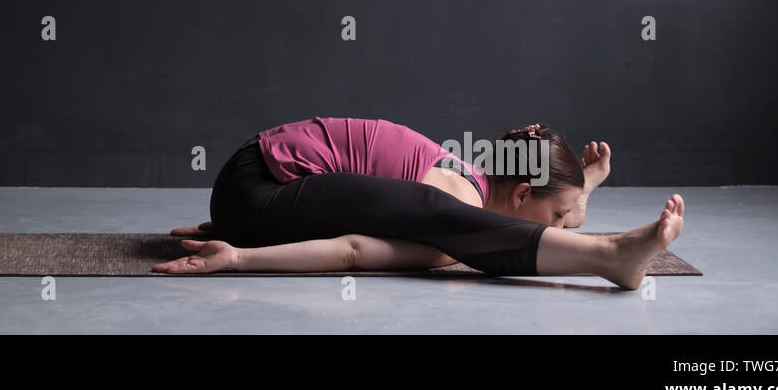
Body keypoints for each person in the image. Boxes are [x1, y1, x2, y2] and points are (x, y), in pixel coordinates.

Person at [154, 117, 684, 290]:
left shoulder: (469, 177)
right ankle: (608, 255)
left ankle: (607, 254)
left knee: (448, 244)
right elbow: (352, 251)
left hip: (254, 189)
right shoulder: (450, 195)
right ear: (522, 192)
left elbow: (356, 242)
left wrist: (583, 189)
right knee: (447, 240)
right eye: (561, 216)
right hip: (255, 194)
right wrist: (238, 256)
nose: (567, 224)